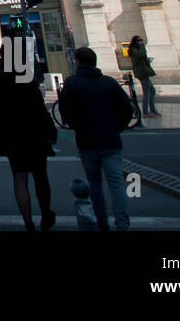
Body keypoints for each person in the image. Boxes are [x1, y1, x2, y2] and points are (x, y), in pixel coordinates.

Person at [58, 46, 133, 231]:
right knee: (116, 183)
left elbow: (65, 111)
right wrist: (117, 128)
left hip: (87, 140)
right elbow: (127, 109)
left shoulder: (72, 83)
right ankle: (122, 223)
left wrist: (77, 126)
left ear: (77, 62)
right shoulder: (108, 82)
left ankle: (102, 221)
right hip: (111, 140)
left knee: (95, 183)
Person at [0, 37, 57, 231]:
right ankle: (45, 214)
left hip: (10, 134)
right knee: (40, 177)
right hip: (32, 132)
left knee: (19, 178)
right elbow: (38, 106)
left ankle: (28, 223)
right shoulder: (23, 73)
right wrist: (50, 129)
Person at [129, 35, 158, 117]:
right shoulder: (133, 50)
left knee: (152, 91)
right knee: (146, 92)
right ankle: (145, 112)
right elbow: (141, 54)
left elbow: (142, 57)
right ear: (135, 41)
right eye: (139, 40)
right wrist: (142, 46)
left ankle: (153, 110)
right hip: (141, 73)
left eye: (141, 40)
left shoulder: (137, 49)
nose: (141, 41)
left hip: (144, 72)